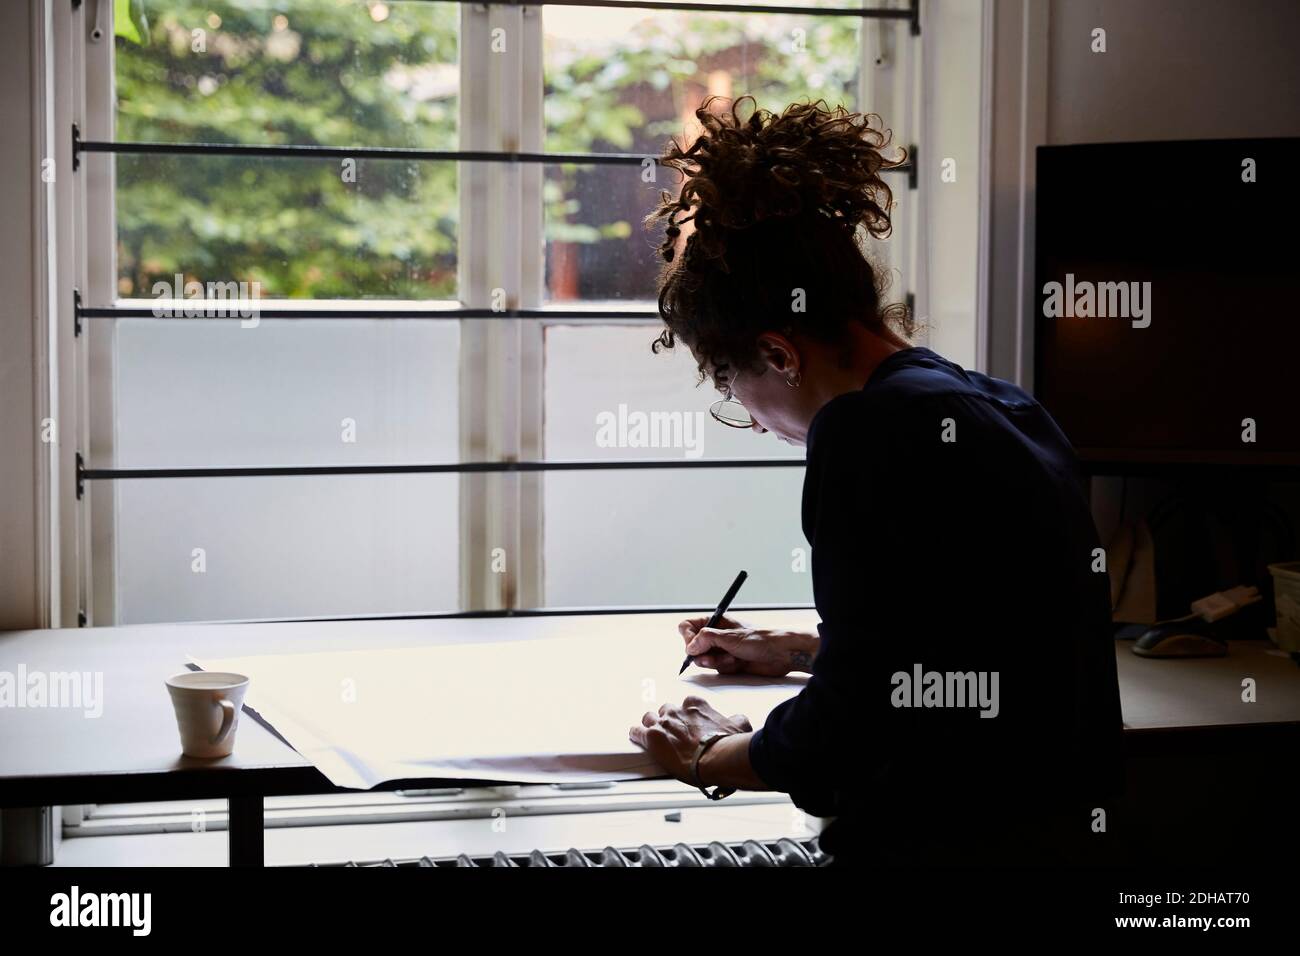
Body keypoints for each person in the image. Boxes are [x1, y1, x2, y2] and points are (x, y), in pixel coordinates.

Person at [627, 96, 1124, 867]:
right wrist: (807, 649)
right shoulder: (1003, 406)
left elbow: (847, 733)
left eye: (730, 384)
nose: (750, 420)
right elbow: (988, 652)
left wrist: (706, 754)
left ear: (779, 353)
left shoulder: (865, 432)